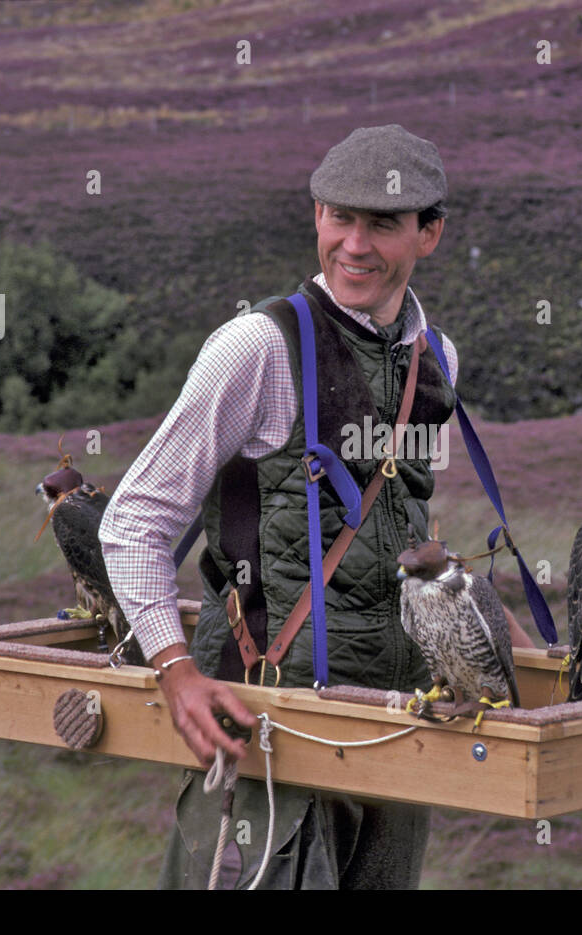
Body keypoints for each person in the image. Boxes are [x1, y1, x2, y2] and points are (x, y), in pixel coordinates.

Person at [99, 123, 462, 889]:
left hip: (395, 732)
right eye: (338, 217)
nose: (354, 244)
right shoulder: (256, 346)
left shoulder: (437, 356)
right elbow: (134, 519)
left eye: (382, 223)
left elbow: (409, 532)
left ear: (429, 233)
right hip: (270, 726)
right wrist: (173, 669)